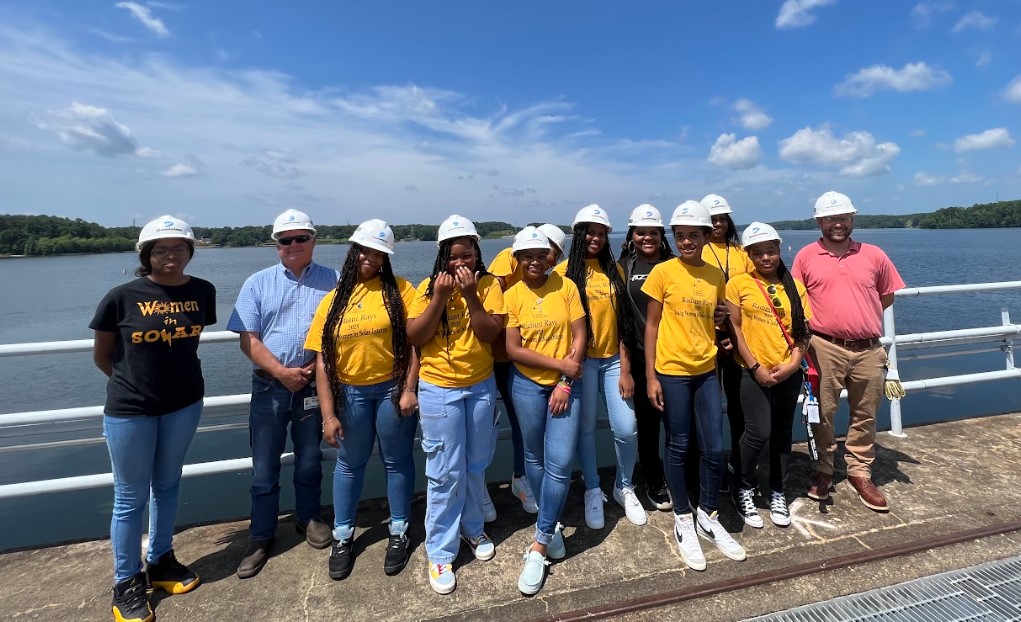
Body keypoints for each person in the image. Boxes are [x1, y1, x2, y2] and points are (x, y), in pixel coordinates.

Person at [91, 216, 216, 622]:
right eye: (161, 249)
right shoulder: (121, 297)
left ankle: (160, 560)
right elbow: (102, 357)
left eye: (179, 248)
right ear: (146, 255)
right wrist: (137, 387)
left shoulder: (202, 291)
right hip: (131, 411)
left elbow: (187, 343)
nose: (171, 255)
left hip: (184, 404)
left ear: (190, 252)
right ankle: (126, 581)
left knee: (168, 483)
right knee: (130, 498)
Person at [303, 220, 420, 580]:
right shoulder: (333, 300)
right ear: (353, 252)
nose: (370, 258)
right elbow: (323, 363)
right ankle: (343, 535)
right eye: (364, 251)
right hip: (349, 393)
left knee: (397, 461)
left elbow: (414, 346)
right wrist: (327, 416)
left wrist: (409, 388)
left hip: (391, 390)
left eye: (379, 253)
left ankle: (399, 530)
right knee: (349, 464)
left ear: (386, 258)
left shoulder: (402, 290)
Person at [227, 209, 338, 579]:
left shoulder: (333, 280)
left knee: (309, 459)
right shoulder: (257, 283)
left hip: (313, 384)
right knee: (264, 466)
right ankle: (261, 534)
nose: (293, 244)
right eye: (285, 239)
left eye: (300, 238)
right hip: (269, 386)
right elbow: (248, 339)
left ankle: (308, 518)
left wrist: (312, 369)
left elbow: (341, 331)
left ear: (313, 240)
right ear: (276, 244)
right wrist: (281, 372)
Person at [642, 201, 747, 572]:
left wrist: (721, 318)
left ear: (706, 236)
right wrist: (651, 376)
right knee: (679, 443)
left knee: (715, 447)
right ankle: (683, 517)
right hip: (671, 370)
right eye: (681, 236)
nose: (686, 242)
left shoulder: (716, 275)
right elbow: (651, 326)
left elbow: (716, 318)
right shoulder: (663, 272)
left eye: (693, 235)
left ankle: (708, 513)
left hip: (706, 370)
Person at [407, 215, 505, 595]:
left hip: (480, 386)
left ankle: (472, 527)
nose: (460, 262)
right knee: (445, 471)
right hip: (439, 389)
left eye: (467, 254)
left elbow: (490, 332)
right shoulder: (428, 287)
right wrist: (440, 298)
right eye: (453, 255)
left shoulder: (490, 286)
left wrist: (470, 295)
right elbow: (416, 335)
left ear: (477, 253)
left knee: (476, 463)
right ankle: (439, 550)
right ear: (441, 257)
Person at [792, 191, 905, 512]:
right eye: (830, 219)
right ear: (819, 222)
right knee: (822, 412)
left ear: (852, 219)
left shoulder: (874, 255)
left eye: (843, 217)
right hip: (823, 346)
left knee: (865, 414)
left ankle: (859, 470)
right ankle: (824, 468)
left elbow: (886, 296)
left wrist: (858, 318)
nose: (837, 224)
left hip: (868, 348)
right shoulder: (806, 256)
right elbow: (796, 301)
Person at [503, 227, 586, 595]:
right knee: (533, 457)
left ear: (550, 257)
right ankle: (550, 527)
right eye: (527, 256)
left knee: (561, 462)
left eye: (541, 255)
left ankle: (539, 544)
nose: (535, 261)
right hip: (525, 384)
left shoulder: (566, 287)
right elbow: (514, 349)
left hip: (566, 384)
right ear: (518, 259)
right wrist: (559, 365)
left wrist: (565, 380)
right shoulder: (512, 295)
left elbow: (580, 335)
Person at [555, 204, 644, 528]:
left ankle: (624, 485)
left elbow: (624, 324)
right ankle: (592, 487)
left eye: (600, 233)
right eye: (589, 232)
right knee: (585, 429)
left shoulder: (614, 270)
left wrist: (626, 370)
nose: (595, 238)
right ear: (579, 234)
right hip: (581, 365)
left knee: (626, 427)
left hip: (613, 362)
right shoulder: (563, 273)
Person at [725, 223, 812, 529]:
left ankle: (777, 489)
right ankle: (744, 487)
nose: (765, 258)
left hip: (788, 370)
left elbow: (803, 331)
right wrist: (754, 367)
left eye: (770, 251)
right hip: (751, 371)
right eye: (758, 253)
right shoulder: (738, 284)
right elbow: (735, 328)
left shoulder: (795, 286)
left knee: (782, 432)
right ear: (748, 255)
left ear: (779, 250)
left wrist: (792, 364)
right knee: (758, 431)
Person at [487, 223, 566, 514]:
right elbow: (493, 294)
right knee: (512, 424)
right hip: (500, 356)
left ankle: (526, 477)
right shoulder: (508, 259)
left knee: (530, 427)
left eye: (554, 256)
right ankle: (517, 478)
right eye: (551, 252)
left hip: (530, 358)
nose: (550, 260)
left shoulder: (554, 279)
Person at [618, 204, 675, 511]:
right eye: (641, 232)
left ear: (661, 234)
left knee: (678, 425)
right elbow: (622, 322)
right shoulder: (623, 267)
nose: (647, 238)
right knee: (648, 426)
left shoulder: (674, 264)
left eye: (653, 232)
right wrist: (625, 370)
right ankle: (654, 480)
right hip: (641, 359)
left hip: (675, 358)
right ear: (632, 235)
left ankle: (680, 476)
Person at [700, 193, 756, 494]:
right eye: (712, 220)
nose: (718, 224)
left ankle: (737, 460)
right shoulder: (697, 249)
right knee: (709, 405)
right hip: (706, 337)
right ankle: (712, 463)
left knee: (737, 404)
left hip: (737, 336)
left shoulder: (740, 252)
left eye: (722, 219)